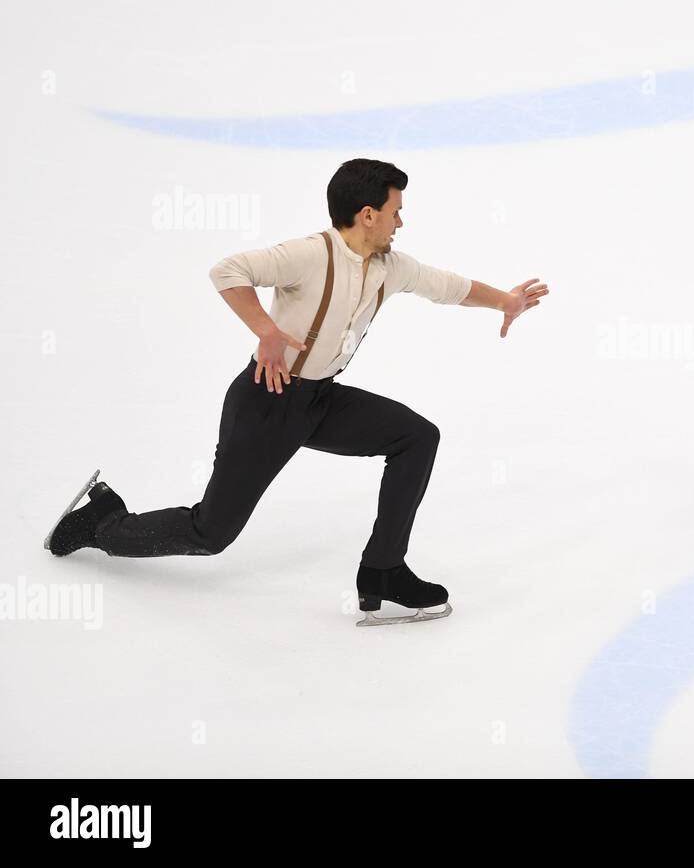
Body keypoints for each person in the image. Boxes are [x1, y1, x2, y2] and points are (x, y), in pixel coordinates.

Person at [45, 158, 548, 625]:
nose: (401, 222)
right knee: (210, 533)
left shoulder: (388, 266)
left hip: (321, 400)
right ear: (368, 214)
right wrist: (265, 329)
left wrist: (505, 300)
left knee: (417, 437)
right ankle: (103, 524)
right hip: (268, 401)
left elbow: (447, 286)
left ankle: (383, 571)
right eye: (396, 212)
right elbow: (228, 271)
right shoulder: (310, 254)